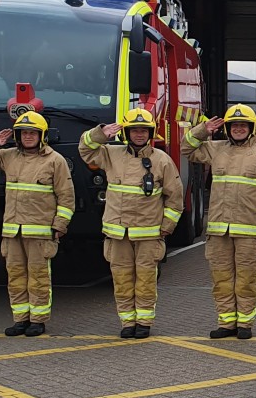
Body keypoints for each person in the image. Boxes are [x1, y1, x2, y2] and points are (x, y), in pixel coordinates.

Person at [78, 108, 183, 339]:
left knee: (145, 280)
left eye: (143, 130)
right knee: (122, 279)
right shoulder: (110, 154)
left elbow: (175, 198)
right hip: (118, 235)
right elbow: (85, 150)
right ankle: (127, 322)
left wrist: (167, 226)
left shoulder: (162, 160)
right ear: (126, 133)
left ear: (150, 133)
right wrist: (99, 134)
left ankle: (144, 322)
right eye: (134, 130)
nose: (139, 134)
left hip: (148, 234)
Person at [184, 103, 256, 339]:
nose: (238, 129)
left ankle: (245, 324)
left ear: (251, 128)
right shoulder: (215, 149)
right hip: (219, 230)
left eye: (243, 125)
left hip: (249, 231)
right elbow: (187, 149)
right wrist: (202, 130)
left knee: (246, 280)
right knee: (221, 279)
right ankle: (226, 322)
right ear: (227, 129)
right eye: (234, 125)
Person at [0, 110, 74, 337]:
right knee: (16, 277)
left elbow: (66, 197)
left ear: (42, 136)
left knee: (38, 278)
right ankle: (20, 319)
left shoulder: (55, 161)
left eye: (32, 133)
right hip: (13, 232)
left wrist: (60, 225)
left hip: (40, 233)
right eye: (23, 133)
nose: (28, 137)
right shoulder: (8, 156)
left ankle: (38, 321)